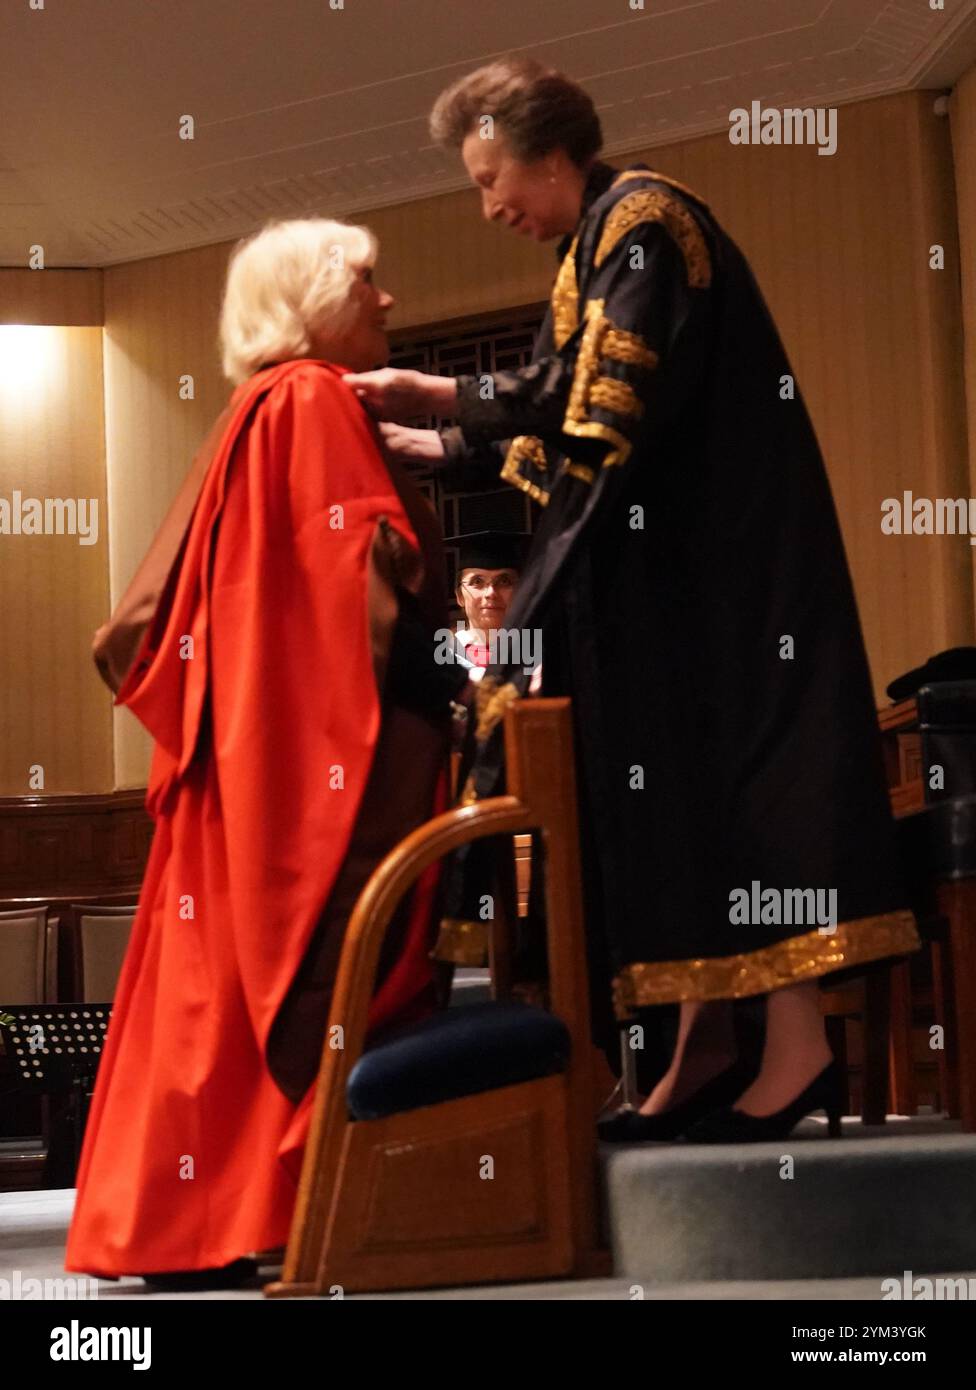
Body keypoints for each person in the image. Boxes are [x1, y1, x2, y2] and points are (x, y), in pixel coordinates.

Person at [344, 57, 920, 1143]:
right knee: (685, 806)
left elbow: (599, 396)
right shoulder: (592, 247)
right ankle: (700, 1052)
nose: (489, 204)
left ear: (551, 152)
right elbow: (568, 426)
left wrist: (438, 393)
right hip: (675, 584)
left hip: (728, 581)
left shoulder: (644, 222)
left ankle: (793, 1054)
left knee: (739, 795)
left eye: (491, 176)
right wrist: (446, 442)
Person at [65, 217, 466, 1287]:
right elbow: (360, 578)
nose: (387, 301)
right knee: (269, 986)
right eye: (366, 282)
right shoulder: (312, 399)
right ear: (306, 303)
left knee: (206, 996)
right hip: (289, 771)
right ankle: (248, 1214)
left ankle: (188, 1226)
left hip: (241, 768)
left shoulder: (254, 408)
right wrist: (456, 668)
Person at [447, 530, 528, 678]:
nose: (491, 592)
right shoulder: (445, 657)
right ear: (460, 596)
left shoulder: (542, 656)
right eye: (477, 582)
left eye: (504, 581)